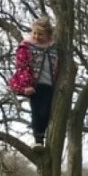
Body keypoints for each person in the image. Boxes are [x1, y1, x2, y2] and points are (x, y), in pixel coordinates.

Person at [9, 16, 58, 150]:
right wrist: (27, 85)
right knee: (37, 112)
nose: (36, 36)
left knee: (47, 112)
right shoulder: (27, 46)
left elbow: (59, 63)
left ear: (48, 34)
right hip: (35, 85)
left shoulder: (54, 48)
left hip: (49, 84)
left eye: (40, 34)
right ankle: (38, 139)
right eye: (34, 33)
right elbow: (22, 66)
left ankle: (44, 134)